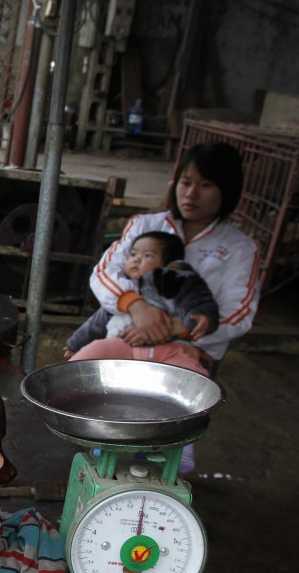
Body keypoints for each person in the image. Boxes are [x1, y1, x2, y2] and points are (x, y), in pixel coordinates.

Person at [74, 142, 261, 473]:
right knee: (81, 373)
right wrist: (137, 307)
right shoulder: (144, 225)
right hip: (128, 337)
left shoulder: (240, 248)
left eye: (206, 185)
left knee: (180, 410)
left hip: (188, 349)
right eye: (186, 182)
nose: (191, 193)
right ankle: (102, 439)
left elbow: (239, 312)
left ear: (227, 191)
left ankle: (177, 448)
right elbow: (105, 273)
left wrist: (177, 327)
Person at [65, 231, 219, 373]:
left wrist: (204, 316)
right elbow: (98, 321)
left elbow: (199, 300)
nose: (137, 259)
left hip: (171, 348)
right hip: (121, 345)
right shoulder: (124, 289)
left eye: (148, 255)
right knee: (86, 359)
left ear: (170, 263)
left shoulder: (178, 281)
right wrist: (76, 344)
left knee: (188, 377)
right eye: (133, 254)